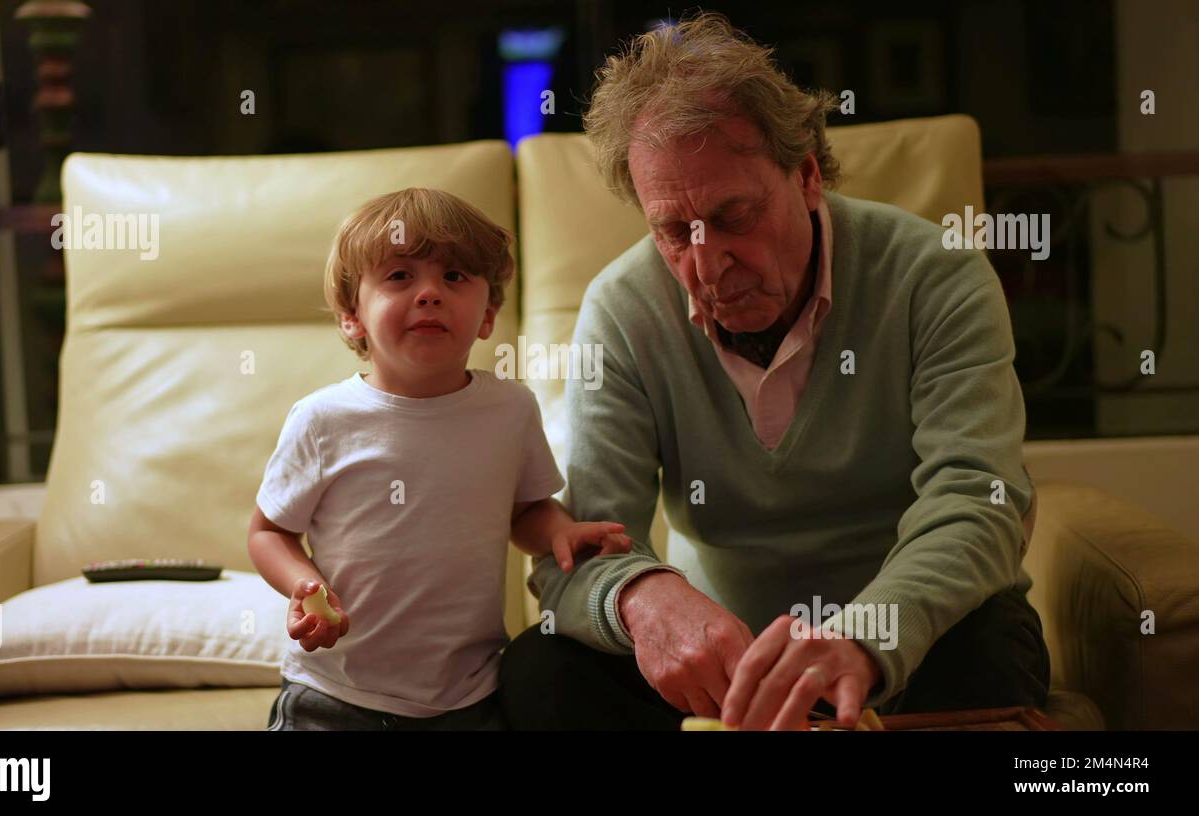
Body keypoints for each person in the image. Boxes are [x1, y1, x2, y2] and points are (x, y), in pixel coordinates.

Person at [500, 12, 1049, 731]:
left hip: (910, 637)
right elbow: (580, 548)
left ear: (808, 174)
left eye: (735, 216)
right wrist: (639, 593)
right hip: (733, 659)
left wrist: (862, 638)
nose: (708, 264)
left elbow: (978, 501)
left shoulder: (935, 277)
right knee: (542, 669)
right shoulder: (624, 310)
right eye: (674, 232)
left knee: (988, 650)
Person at [250, 188, 632, 731]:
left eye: (454, 277)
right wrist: (302, 585)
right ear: (351, 317)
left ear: (487, 315)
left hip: (467, 698)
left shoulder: (510, 408)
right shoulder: (322, 420)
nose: (430, 293)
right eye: (400, 276)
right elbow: (267, 532)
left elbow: (525, 512)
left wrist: (559, 532)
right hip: (333, 694)